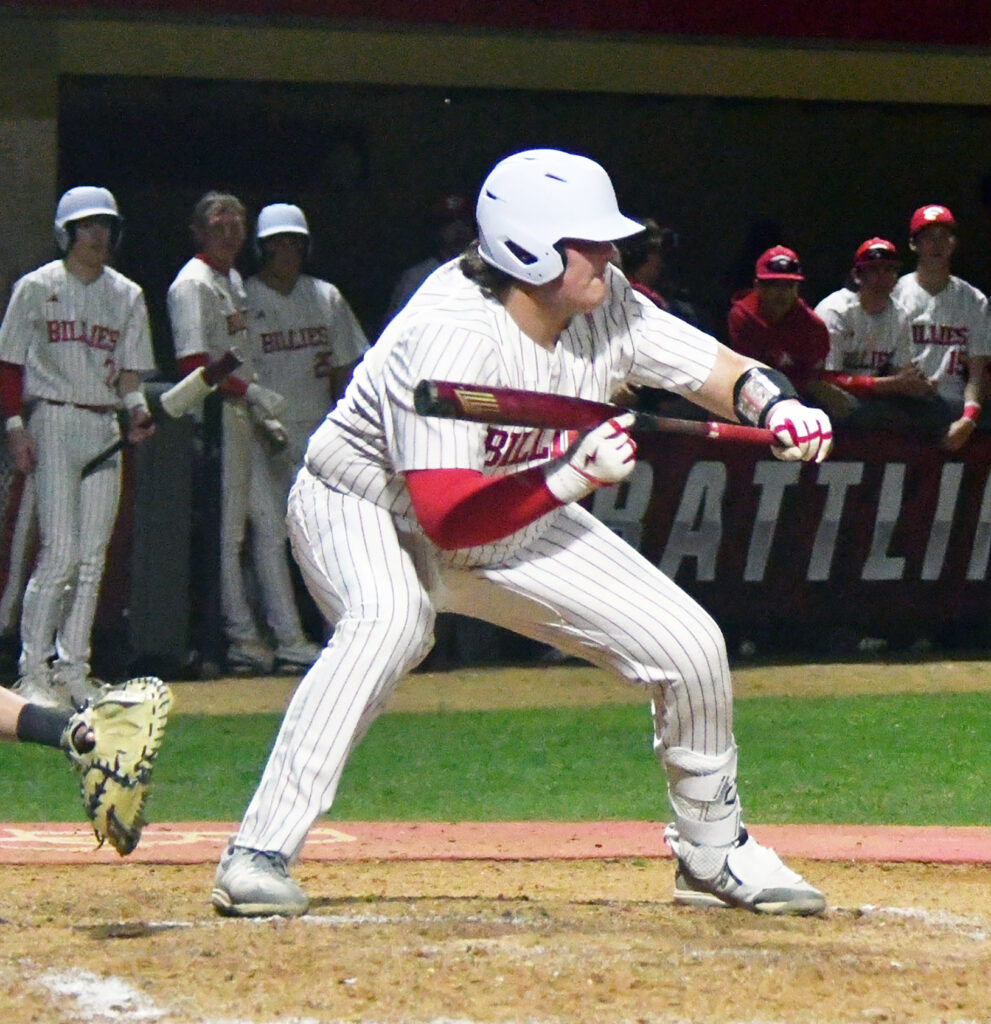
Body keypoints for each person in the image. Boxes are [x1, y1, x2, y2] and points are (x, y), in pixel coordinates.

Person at [211, 148, 832, 919]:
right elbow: (447, 521)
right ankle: (259, 850)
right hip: (365, 503)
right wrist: (571, 479)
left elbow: (718, 371)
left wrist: (775, 408)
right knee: (390, 625)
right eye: (590, 241)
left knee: (690, 646)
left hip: (518, 499)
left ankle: (711, 853)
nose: (610, 254)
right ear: (527, 248)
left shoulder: (606, 305)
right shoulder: (449, 335)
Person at [0, 186, 156, 709]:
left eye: (105, 226)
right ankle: (32, 670)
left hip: (102, 422)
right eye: (88, 226)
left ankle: (73, 670)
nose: (99, 235)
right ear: (66, 232)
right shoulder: (36, 286)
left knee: (92, 558)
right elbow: (9, 364)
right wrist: (15, 427)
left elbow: (132, 371)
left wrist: (137, 406)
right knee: (60, 552)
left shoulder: (127, 294)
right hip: (54, 417)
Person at [167, 193, 316, 676]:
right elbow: (194, 367)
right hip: (217, 419)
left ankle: (289, 639)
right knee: (229, 537)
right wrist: (249, 394)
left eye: (236, 221)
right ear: (198, 229)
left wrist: (256, 405)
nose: (229, 230)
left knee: (271, 530)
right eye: (218, 221)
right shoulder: (191, 285)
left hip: (243, 414)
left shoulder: (230, 280)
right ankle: (241, 640)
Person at [246, 203, 369, 494]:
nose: (287, 252)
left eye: (295, 244)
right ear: (262, 248)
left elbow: (346, 367)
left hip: (318, 425)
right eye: (278, 244)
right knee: (271, 533)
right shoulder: (244, 297)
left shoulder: (326, 296)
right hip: (263, 429)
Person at [811, 237, 940, 430]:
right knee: (856, 409)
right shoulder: (835, 310)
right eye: (873, 269)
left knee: (938, 408)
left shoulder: (900, 315)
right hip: (827, 394)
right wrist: (892, 384)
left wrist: (918, 386)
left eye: (888, 269)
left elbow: (899, 372)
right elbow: (827, 378)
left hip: (872, 395)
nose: (882, 276)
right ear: (857, 275)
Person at [891, 205, 991, 451]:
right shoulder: (895, 293)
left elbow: (978, 372)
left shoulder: (973, 299)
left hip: (953, 401)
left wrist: (969, 419)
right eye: (928, 237)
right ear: (914, 244)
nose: (936, 244)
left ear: (953, 243)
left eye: (943, 237)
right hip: (903, 398)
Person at [726, 246, 830, 401]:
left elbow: (813, 378)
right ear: (757, 286)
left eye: (789, 286)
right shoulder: (742, 317)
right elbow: (742, 372)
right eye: (773, 284)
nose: (782, 293)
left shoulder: (813, 326)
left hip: (797, 397)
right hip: (748, 392)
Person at [381, 193, 475, 328]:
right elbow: (396, 328)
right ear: (437, 231)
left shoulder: (489, 271)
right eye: (449, 222)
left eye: (464, 221)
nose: (458, 229)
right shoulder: (416, 277)